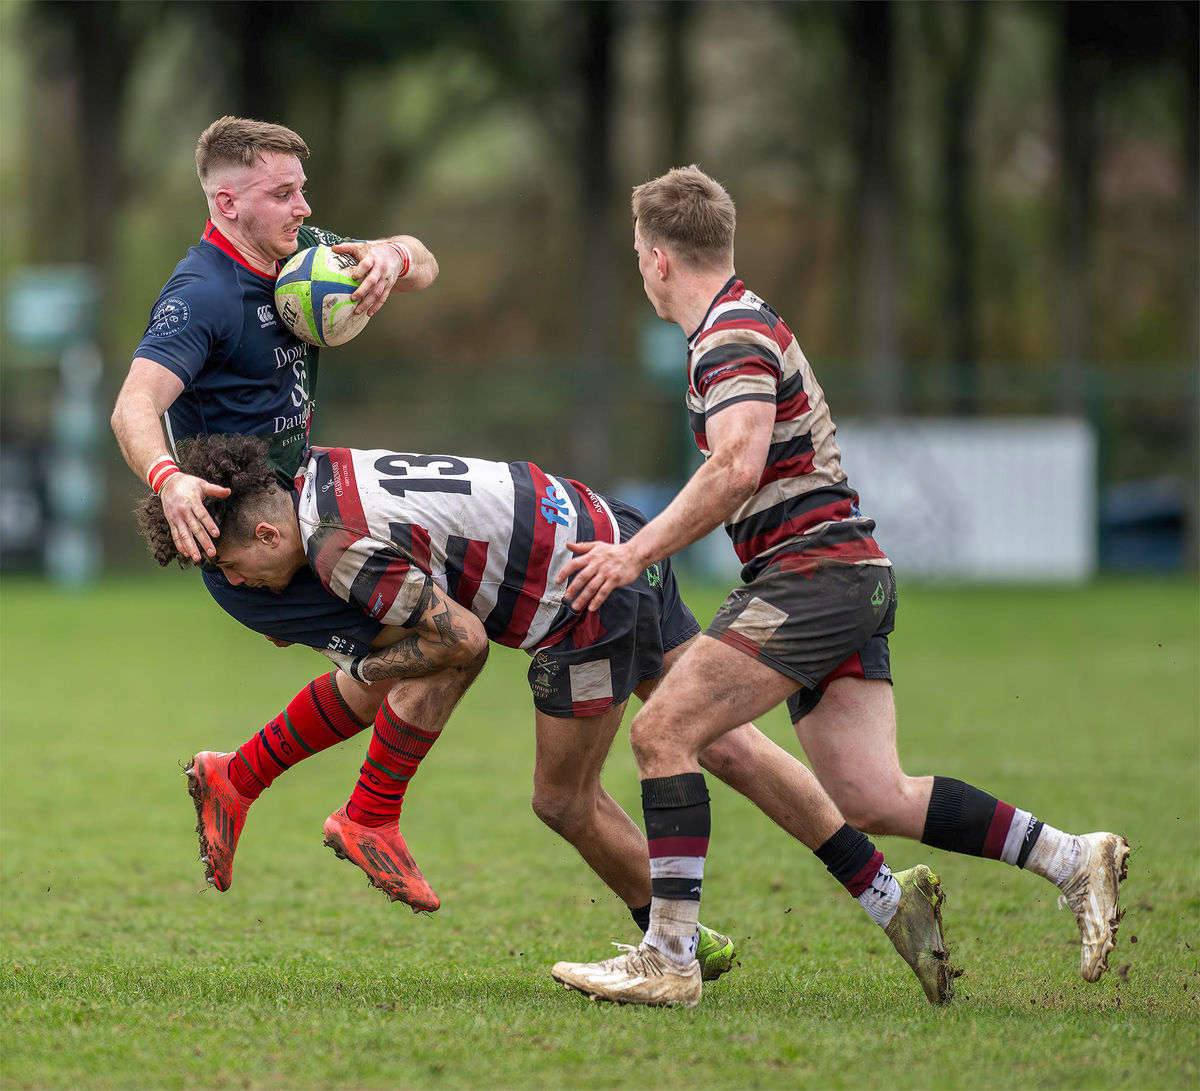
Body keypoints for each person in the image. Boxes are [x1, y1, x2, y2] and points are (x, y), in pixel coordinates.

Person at [549, 165, 1130, 1008]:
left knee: (664, 728)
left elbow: (736, 464)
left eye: (638, 252)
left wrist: (634, 552)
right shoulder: (735, 324)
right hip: (842, 573)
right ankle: (1073, 858)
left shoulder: (728, 335)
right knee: (870, 794)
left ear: (659, 259)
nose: (640, 267)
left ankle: (670, 956)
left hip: (812, 572)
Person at [134, 432, 955, 1001]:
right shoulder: (321, 471)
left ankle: (675, 944)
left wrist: (366, 668)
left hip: (581, 601)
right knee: (729, 743)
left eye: (234, 566)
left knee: (562, 797)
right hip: (601, 529)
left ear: (267, 528)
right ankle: (887, 894)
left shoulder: (333, 546)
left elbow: (458, 640)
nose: (240, 585)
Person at [110, 116, 454, 898]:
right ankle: (364, 813)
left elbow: (425, 259)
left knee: (423, 648)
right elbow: (133, 405)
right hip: (251, 542)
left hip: (310, 521)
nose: (304, 207)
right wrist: (167, 477)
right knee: (442, 641)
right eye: (284, 193)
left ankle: (241, 779)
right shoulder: (201, 293)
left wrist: (392, 258)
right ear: (228, 203)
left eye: (303, 190)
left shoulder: (301, 254)